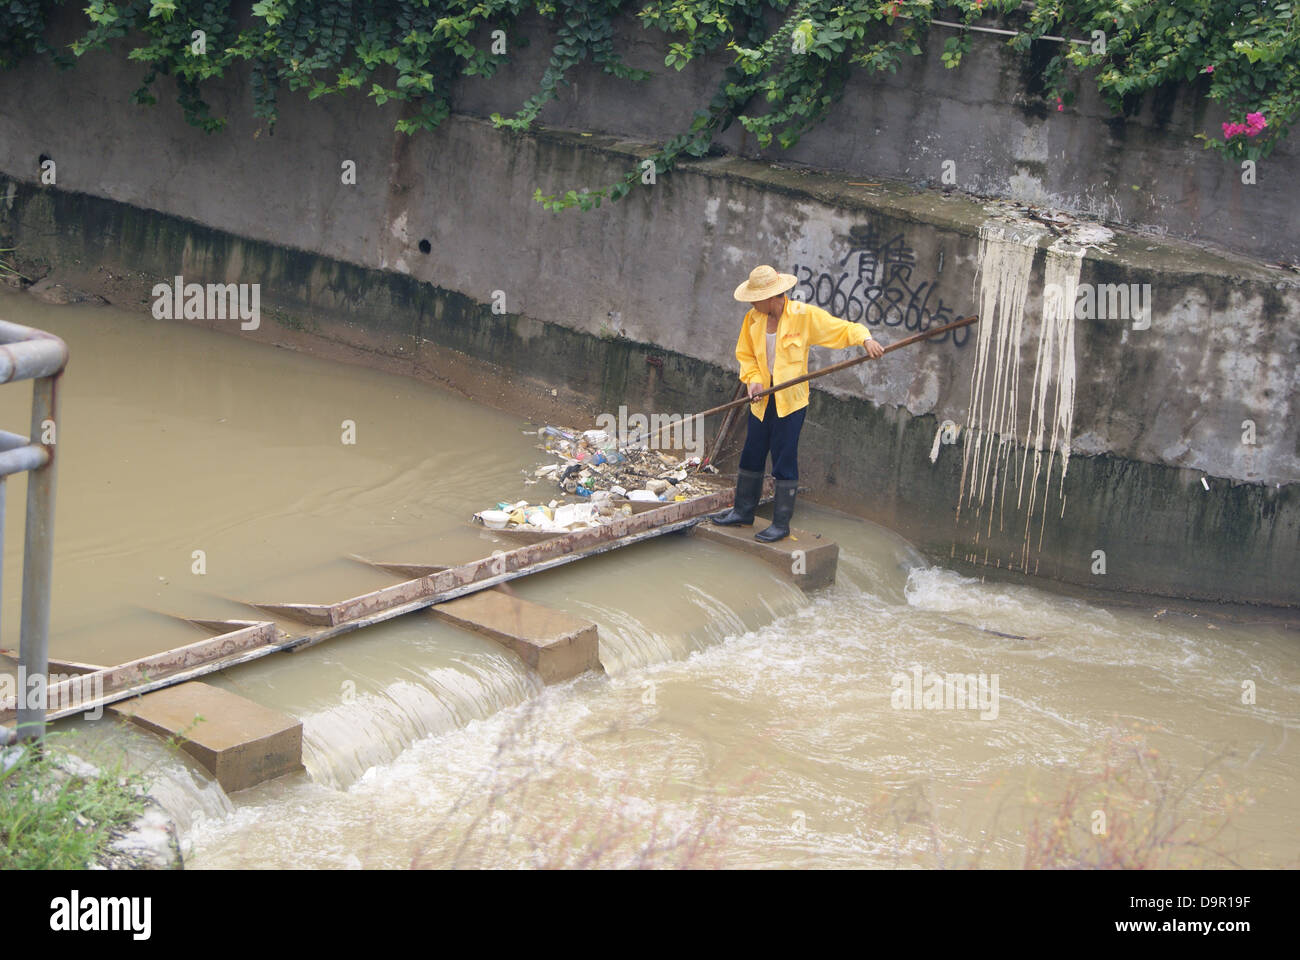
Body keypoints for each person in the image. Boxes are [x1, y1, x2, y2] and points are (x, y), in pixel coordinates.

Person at [710, 264, 884, 541]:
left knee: (784, 460)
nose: (753, 303)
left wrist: (865, 339)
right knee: (751, 455)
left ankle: (780, 524)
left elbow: (840, 329)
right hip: (761, 401)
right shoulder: (752, 320)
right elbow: (746, 356)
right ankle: (742, 512)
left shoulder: (802, 316)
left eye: (756, 298)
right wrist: (753, 381)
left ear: (771, 296)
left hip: (790, 404)